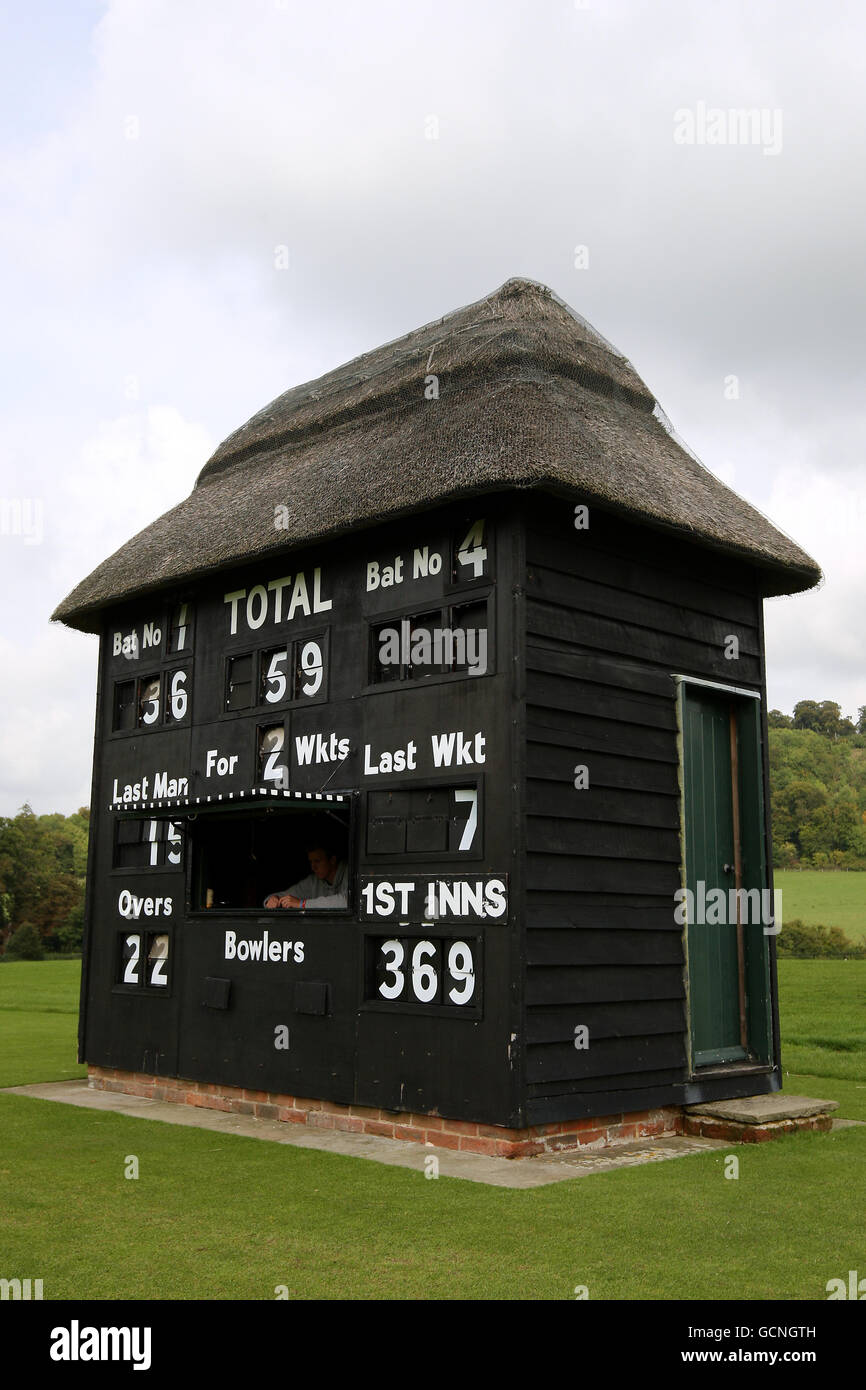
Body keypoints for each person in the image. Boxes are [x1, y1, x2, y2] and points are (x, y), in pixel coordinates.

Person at [264, 843, 348, 910]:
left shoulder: (350, 873)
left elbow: (349, 901)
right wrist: (274, 898)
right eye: (311, 862)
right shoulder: (313, 881)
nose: (313, 867)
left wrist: (302, 904)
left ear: (332, 860)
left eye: (317, 861)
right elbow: (286, 895)